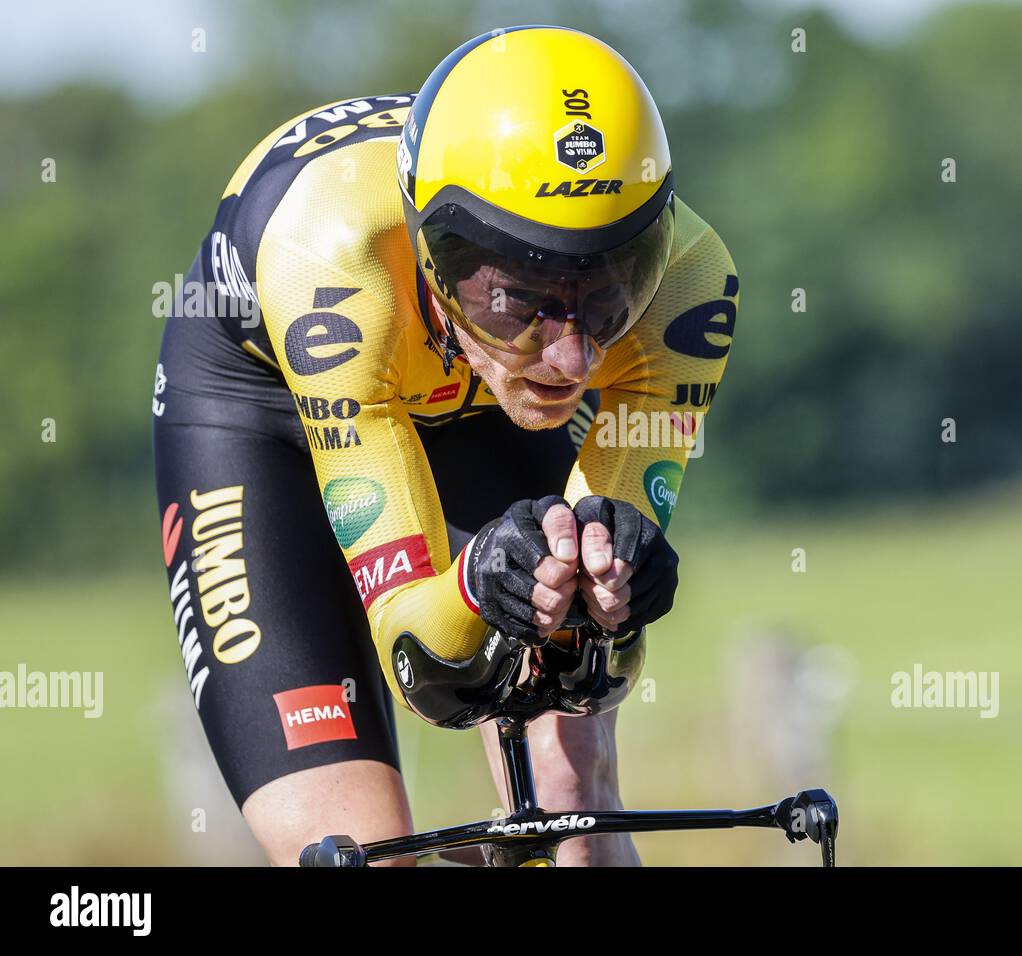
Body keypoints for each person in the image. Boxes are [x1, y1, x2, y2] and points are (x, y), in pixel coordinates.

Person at [153, 25, 738, 866]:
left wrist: (612, 602)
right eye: (522, 299)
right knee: (356, 850)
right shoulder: (334, 257)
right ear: (435, 250)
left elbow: (595, 664)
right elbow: (425, 666)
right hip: (261, 415)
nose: (573, 358)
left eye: (609, 296)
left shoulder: (689, 283)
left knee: (574, 808)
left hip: (477, 408)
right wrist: (477, 581)